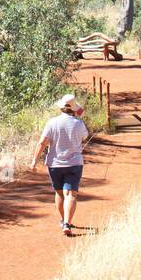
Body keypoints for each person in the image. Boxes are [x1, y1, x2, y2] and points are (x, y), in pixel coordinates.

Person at [30, 93, 88, 235]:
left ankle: (63, 221)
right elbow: (84, 137)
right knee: (71, 194)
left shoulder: (52, 122)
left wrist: (34, 162)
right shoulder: (79, 123)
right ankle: (67, 223)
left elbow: (42, 142)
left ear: (61, 107)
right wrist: (77, 114)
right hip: (74, 164)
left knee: (60, 193)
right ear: (73, 108)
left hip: (55, 164)